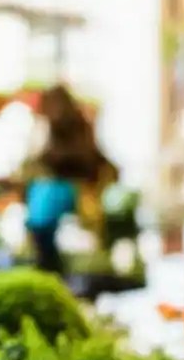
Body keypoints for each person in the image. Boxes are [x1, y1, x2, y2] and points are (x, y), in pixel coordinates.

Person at [24, 85, 116, 274]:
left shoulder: (49, 130)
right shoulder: (82, 125)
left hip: (54, 203)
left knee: (47, 257)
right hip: (79, 201)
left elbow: (38, 161)